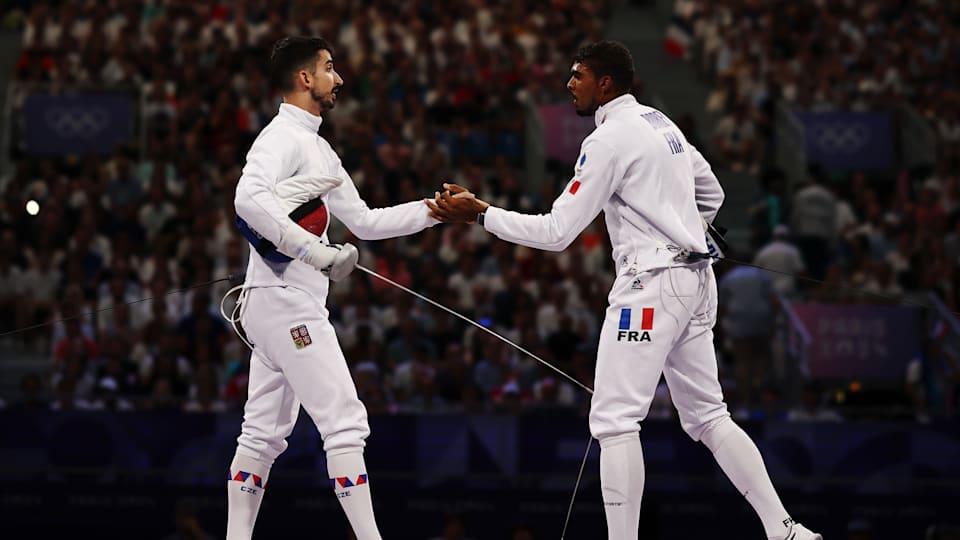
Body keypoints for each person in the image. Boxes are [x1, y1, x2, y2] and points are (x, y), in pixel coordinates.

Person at [428, 41, 821, 540]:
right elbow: (714, 194)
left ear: (605, 84)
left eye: (577, 76)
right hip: (695, 283)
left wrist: (482, 213)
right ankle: (785, 530)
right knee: (707, 416)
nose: (569, 84)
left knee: (614, 422)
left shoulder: (609, 139)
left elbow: (556, 232)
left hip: (651, 287)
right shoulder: (661, 123)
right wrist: (684, 231)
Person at [229, 36, 438, 540]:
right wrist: (317, 252)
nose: (338, 78)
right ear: (305, 78)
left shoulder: (319, 148)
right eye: (329, 68)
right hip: (285, 304)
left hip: (273, 306)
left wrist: (432, 212)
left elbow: (364, 221)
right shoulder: (280, 137)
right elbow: (246, 199)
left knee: (261, 436)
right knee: (344, 422)